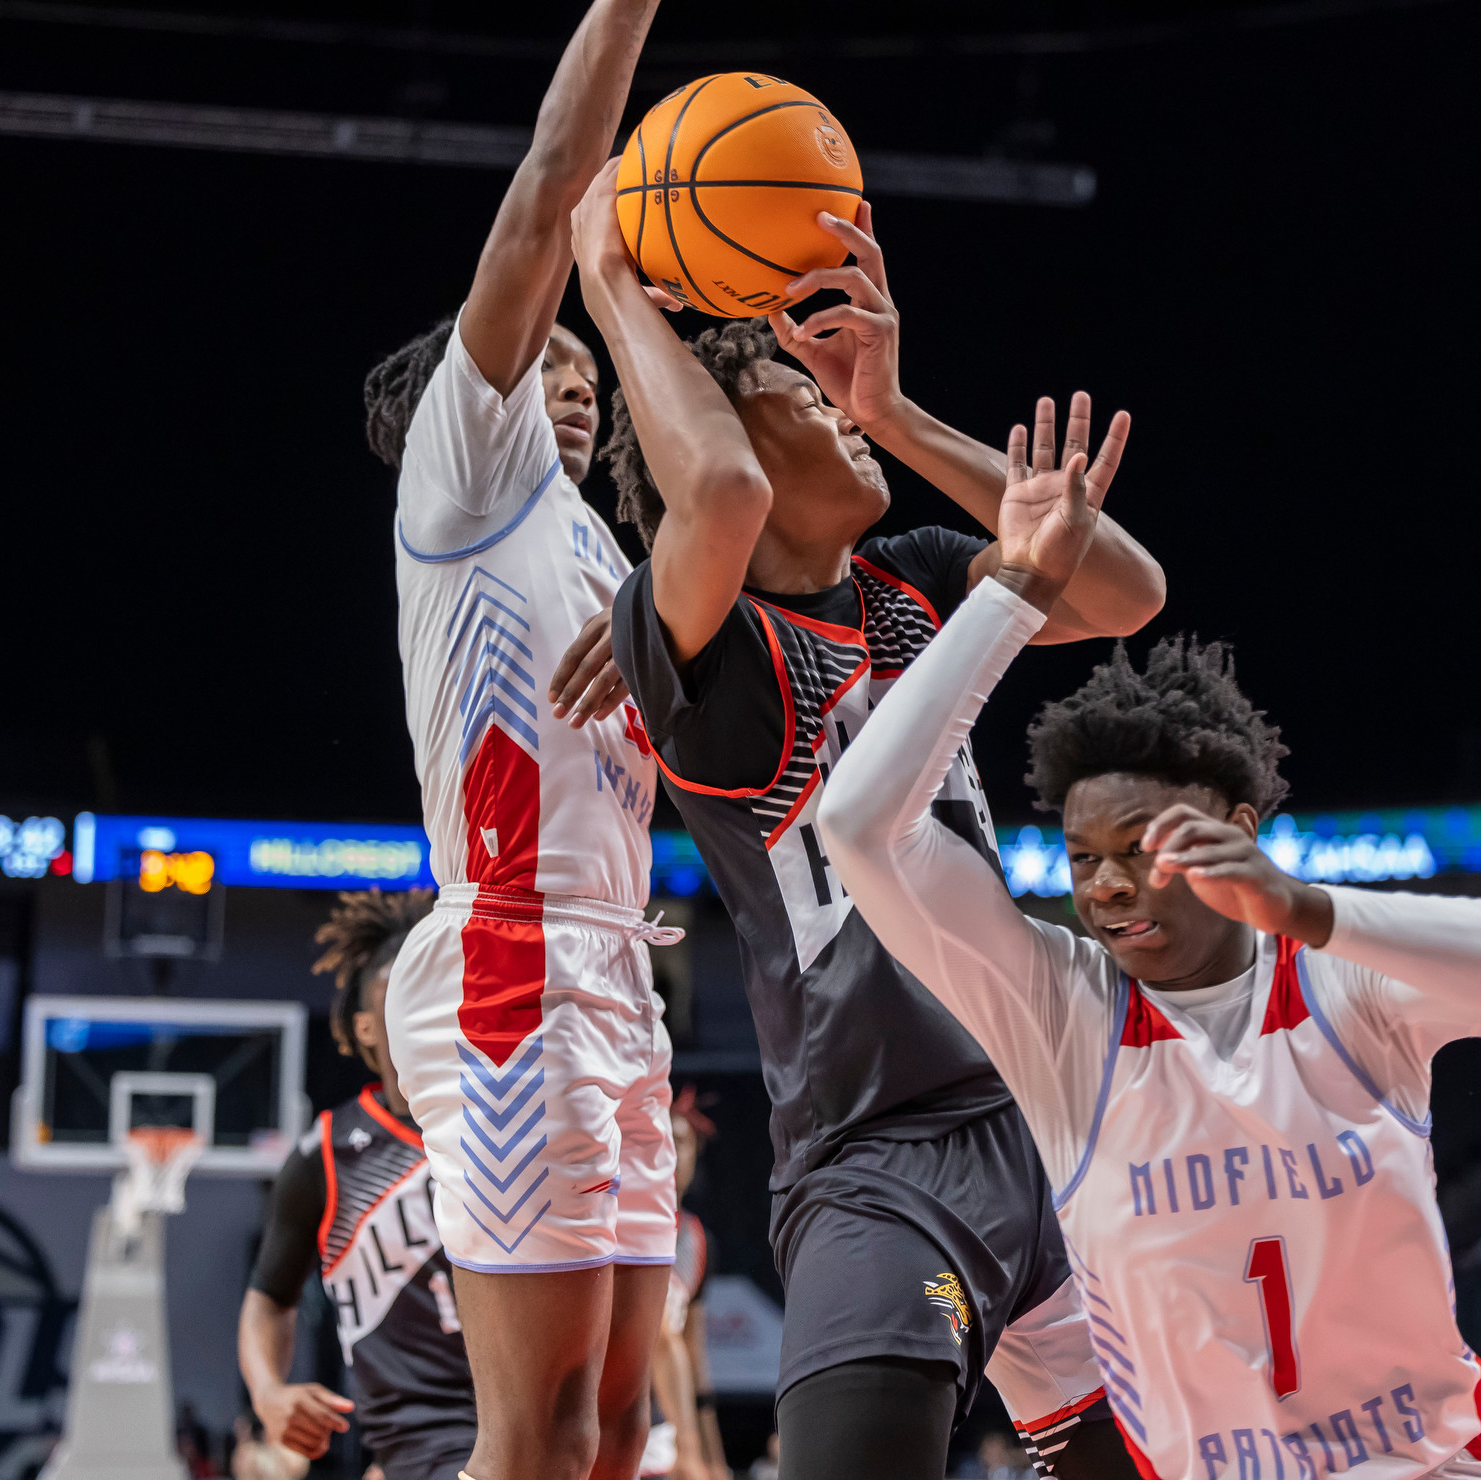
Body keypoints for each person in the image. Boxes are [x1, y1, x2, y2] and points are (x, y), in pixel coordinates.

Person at [811, 438, 1481, 1480]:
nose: (1105, 887)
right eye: (1083, 860)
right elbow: (859, 823)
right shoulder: (1062, 1008)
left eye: (1138, 850)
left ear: (1233, 827)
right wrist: (1009, 590)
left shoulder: (1339, 979)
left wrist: (1306, 907)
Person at [578, 149, 1165, 1478]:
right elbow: (715, 495)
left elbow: (1124, 595)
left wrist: (893, 413)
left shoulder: (904, 578)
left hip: (1041, 1120)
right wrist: (613, 288)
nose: (836, 407)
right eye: (805, 389)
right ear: (726, 435)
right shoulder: (705, 647)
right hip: (880, 1156)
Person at [359, 4, 681, 1480]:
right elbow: (548, 190)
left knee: (620, 1428)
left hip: (617, 963)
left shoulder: (603, 552)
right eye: (543, 350)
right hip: (511, 959)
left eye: (584, 364)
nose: (572, 370)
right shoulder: (468, 481)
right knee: (535, 1435)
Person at [240, 889, 478, 1480]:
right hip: (419, 1439)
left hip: (527, 1420)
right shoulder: (326, 1150)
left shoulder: (507, 1122)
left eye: (436, 989)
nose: (422, 1005)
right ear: (366, 1026)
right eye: (401, 993)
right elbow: (269, 1300)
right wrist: (269, 1393)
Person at [643, 1088, 729, 1480]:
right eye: (663, 1140)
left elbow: (692, 1359)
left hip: (663, 1424)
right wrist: (691, 1452)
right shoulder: (625, 1225)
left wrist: (713, 1461)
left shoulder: (697, 1238)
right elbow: (661, 1339)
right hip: (618, 1413)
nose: (673, 1154)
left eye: (682, 1142)